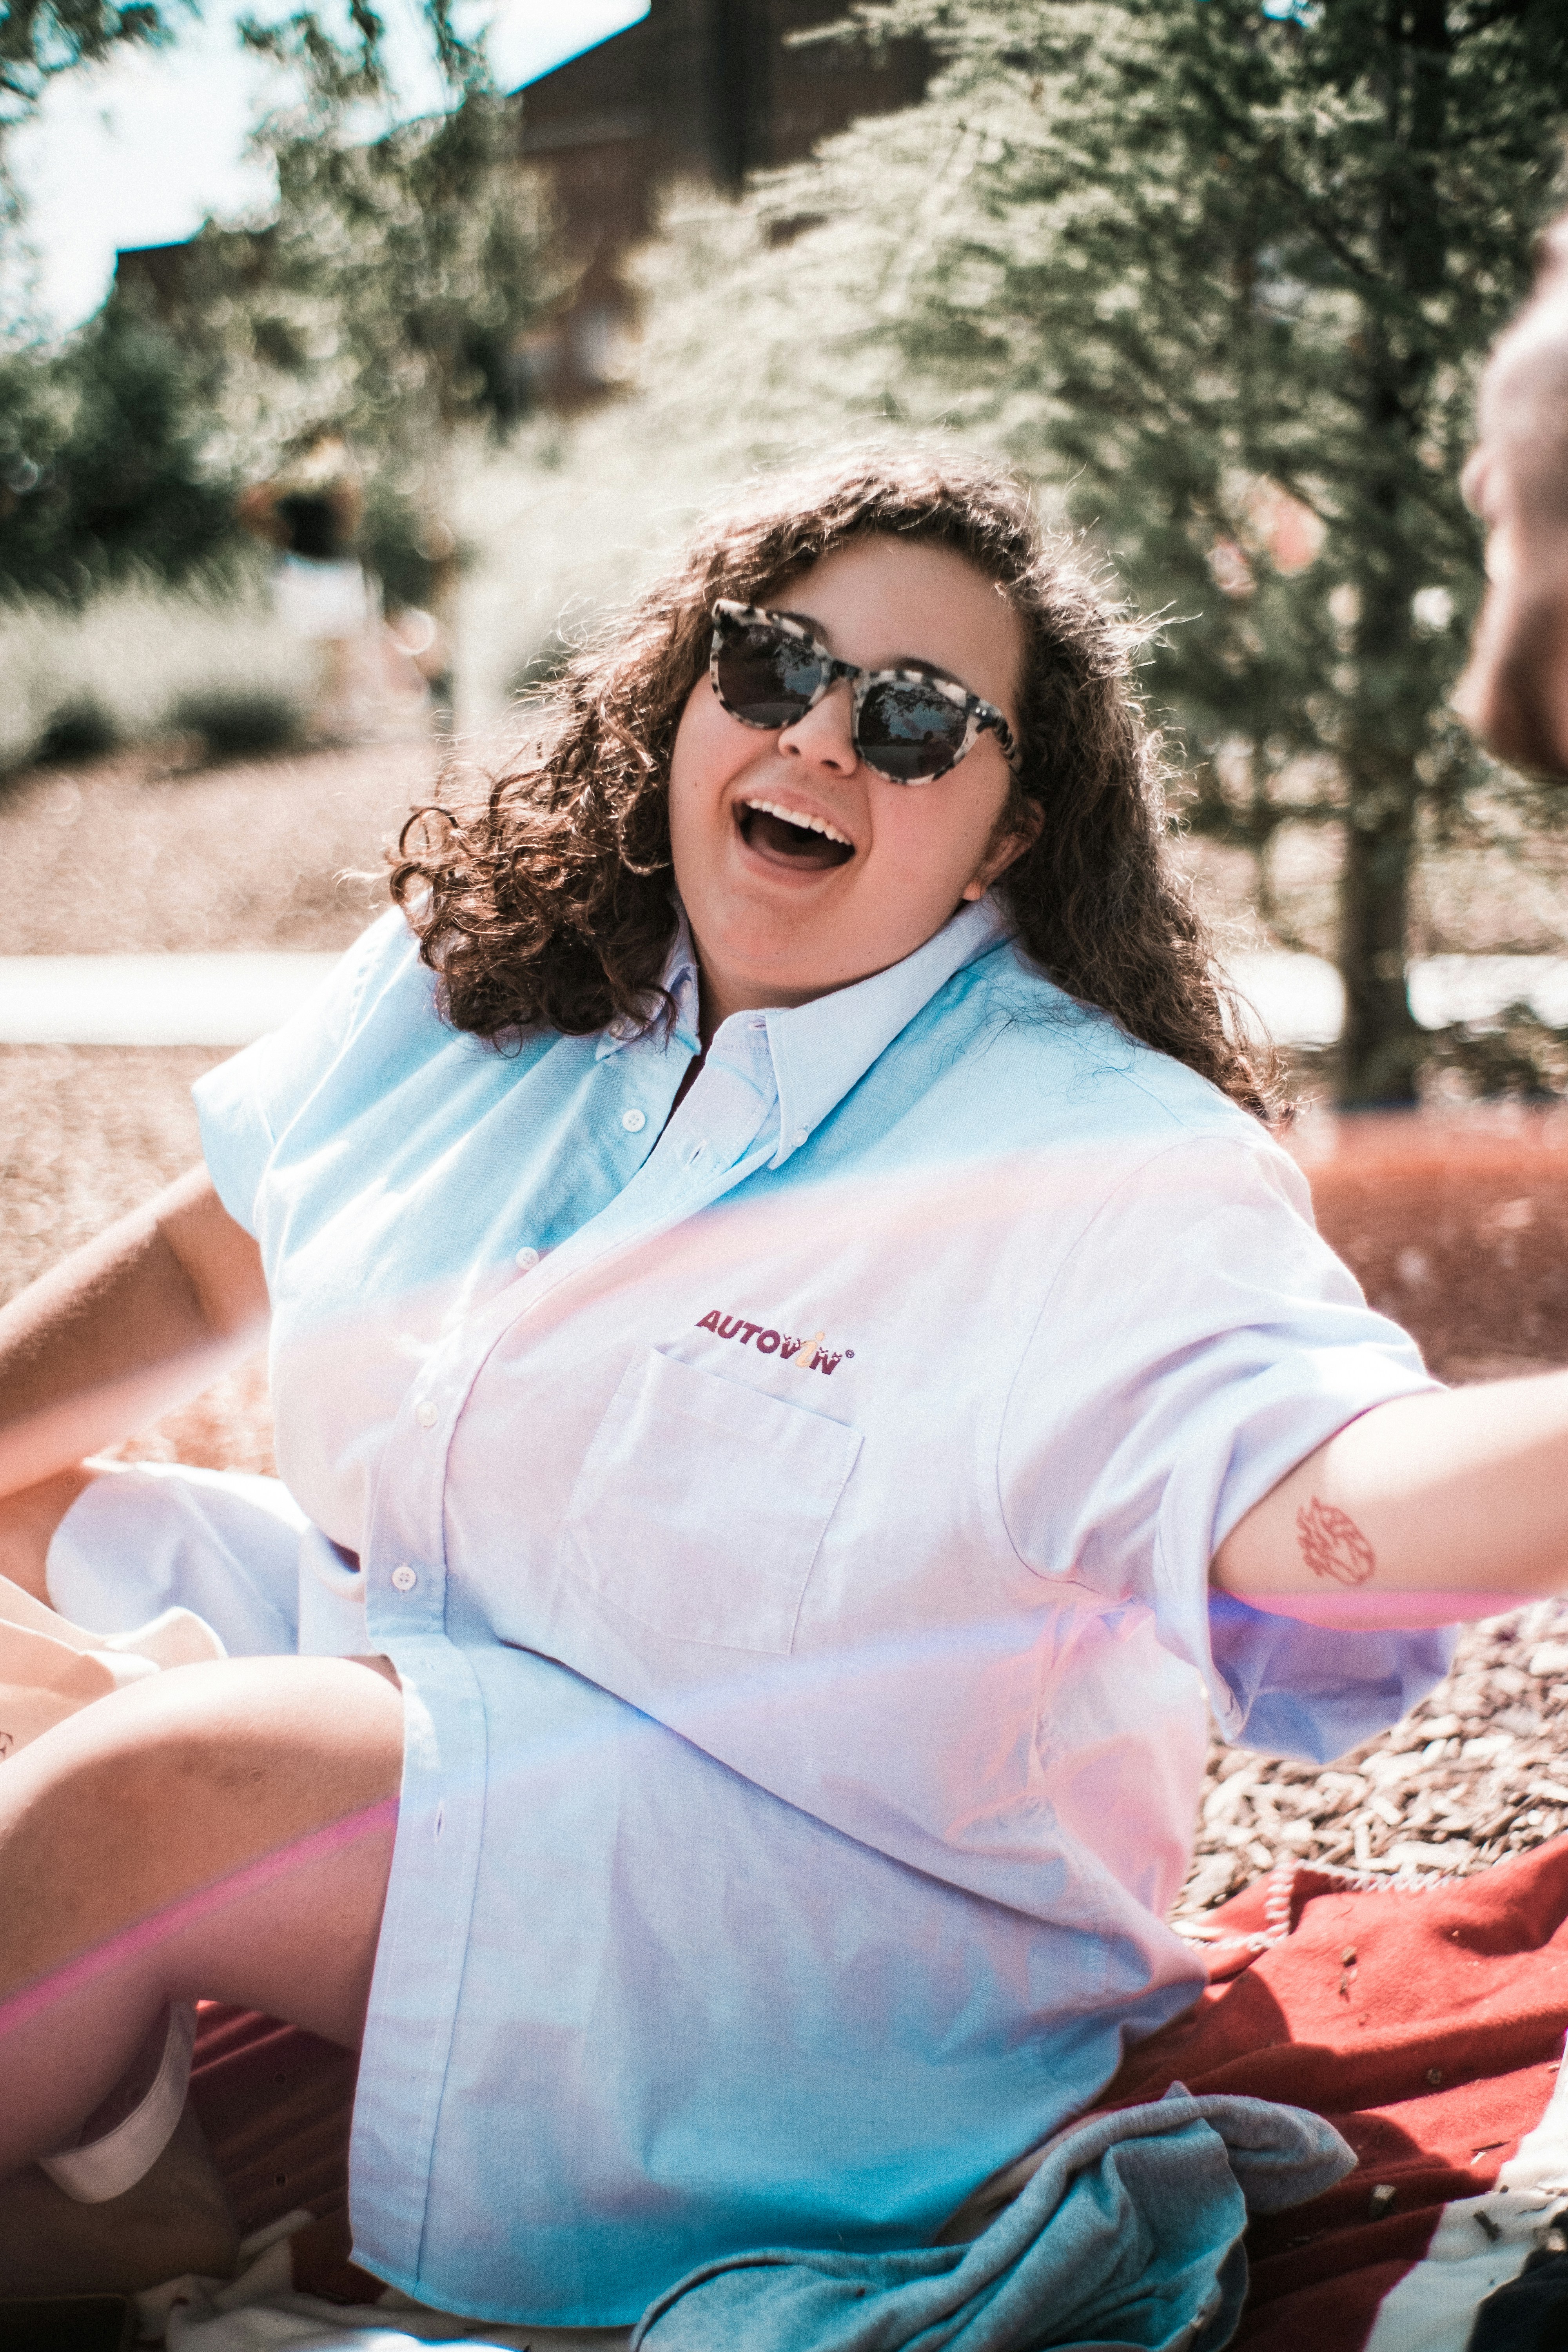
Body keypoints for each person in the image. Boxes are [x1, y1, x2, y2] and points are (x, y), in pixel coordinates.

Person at [1, 441, 1567, 2332]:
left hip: (827, 1914)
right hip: (432, 1662)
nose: (821, 737)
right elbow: (201, 1256)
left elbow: (1328, 1495)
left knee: (147, 1790)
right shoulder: (492, 973)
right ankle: (120, 2161)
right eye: (769, 667)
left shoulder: (1087, 1155)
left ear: (1005, 829)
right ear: (690, 698)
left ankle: (99, 2138)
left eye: (915, 719)